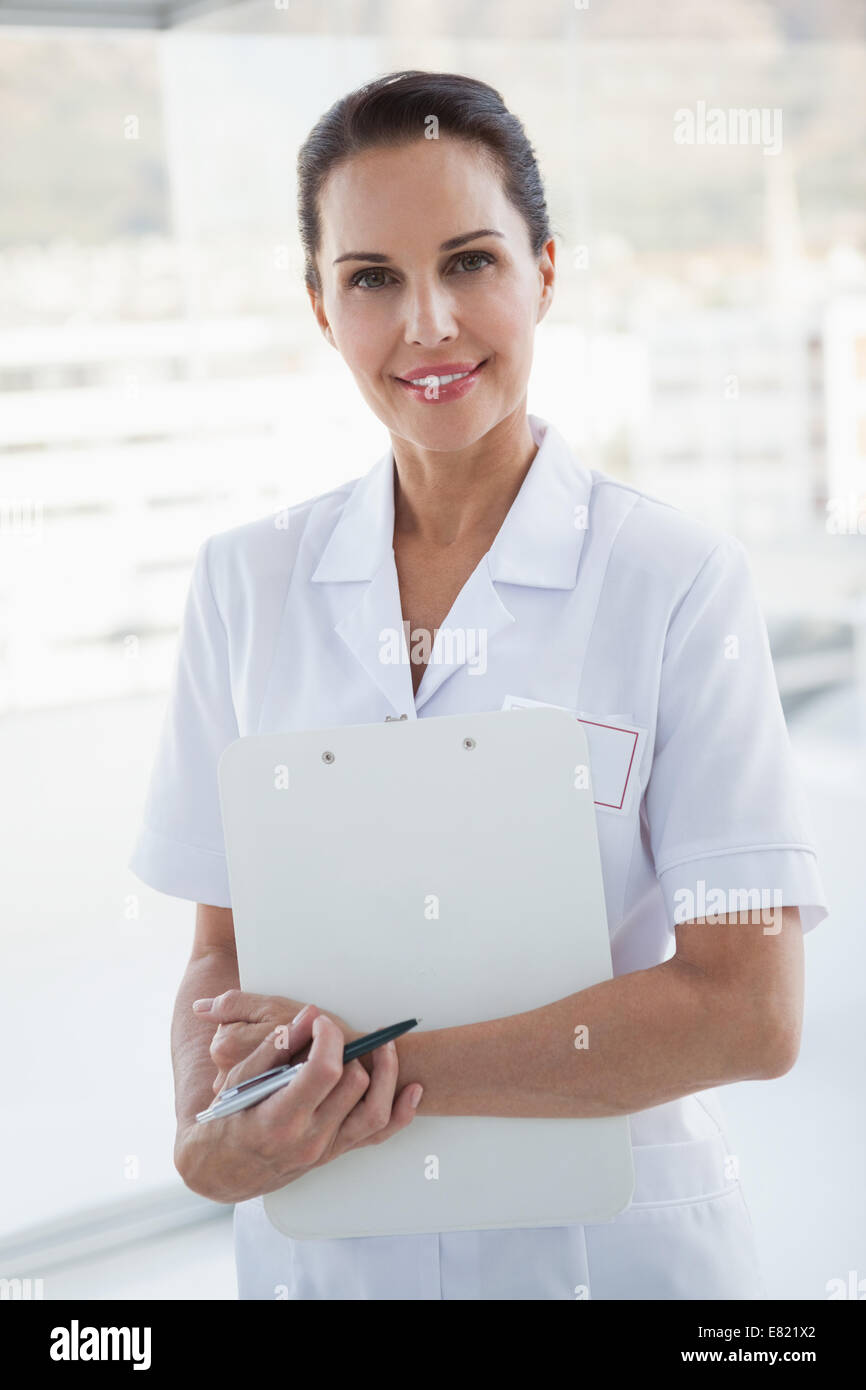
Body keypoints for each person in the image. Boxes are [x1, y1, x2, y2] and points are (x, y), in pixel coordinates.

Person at [128, 69, 828, 1301]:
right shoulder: (245, 583)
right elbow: (219, 952)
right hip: (328, 1261)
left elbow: (746, 1010)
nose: (428, 325)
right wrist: (208, 1124)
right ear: (319, 306)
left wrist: (371, 1077)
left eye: (469, 262)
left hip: (613, 1265)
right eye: (372, 279)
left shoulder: (673, 582)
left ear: (544, 271)